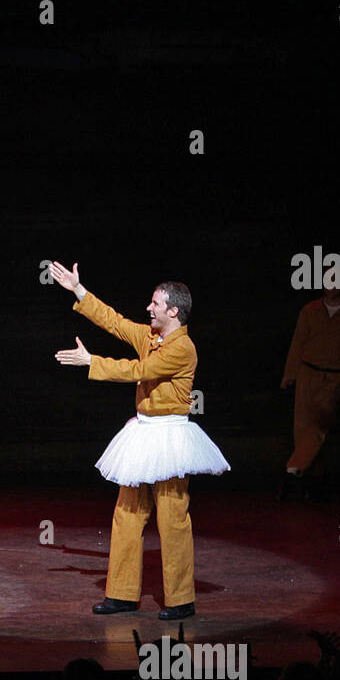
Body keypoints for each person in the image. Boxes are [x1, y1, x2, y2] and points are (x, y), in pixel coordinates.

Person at [50, 261, 229, 622]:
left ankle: (180, 599)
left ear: (173, 311)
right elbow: (114, 321)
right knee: (127, 514)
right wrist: (77, 290)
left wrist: (91, 362)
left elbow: (140, 370)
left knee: (172, 518)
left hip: (171, 436)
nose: (149, 308)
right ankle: (122, 593)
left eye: (155, 304)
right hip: (145, 431)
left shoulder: (183, 348)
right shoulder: (150, 337)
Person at [280, 279, 340, 499]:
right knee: (302, 428)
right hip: (307, 372)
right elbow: (298, 343)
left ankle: (292, 471)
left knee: (319, 424)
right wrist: (290, 374)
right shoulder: (310, 310)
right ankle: (307, 483)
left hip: (335, 376)